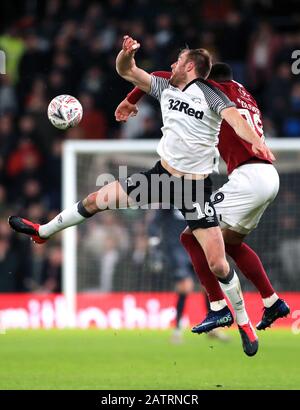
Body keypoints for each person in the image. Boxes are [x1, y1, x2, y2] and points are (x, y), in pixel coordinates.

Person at [9, 36, 273, 356]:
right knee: (96, 200)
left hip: (195, 188)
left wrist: (257, 142)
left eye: (178, 61)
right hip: (160, 177)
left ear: (190, 66)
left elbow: (236, 120)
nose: (171, 64)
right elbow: (128, 71)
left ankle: (244, 324)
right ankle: (42, 232)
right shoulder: (165, 86)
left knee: (218, 263)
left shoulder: (212, 94)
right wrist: (125, 54)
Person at [115, 61, 290, 342]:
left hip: (248, 176)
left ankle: (217, 306)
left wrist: (130, 98)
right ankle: (272, 301)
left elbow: (160, 76)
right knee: (230, 244)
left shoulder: (211, 91)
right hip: (268, 176)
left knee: (191, 237)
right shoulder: (245, 93)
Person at [148, 208, 230, 344]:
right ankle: (178, 329)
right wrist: (154, 245)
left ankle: (213, 328)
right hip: (176, 248)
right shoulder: (171, 198)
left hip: (197, 246)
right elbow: (155, 222)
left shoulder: (198, 198)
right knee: (185, 286)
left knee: (208, 285)